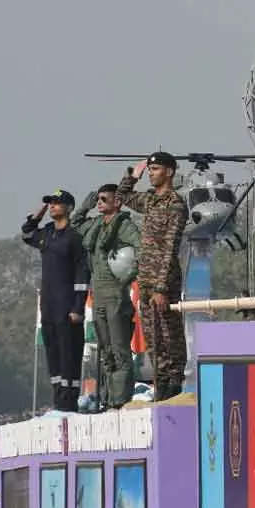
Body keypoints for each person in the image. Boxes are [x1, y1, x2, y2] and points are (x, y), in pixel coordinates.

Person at [117, 152, 188, 401]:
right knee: (152, 334)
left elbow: (170, 247)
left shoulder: (175, 203)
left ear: (169, 171)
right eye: (150, 169)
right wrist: (131, 177)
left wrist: (160, 286)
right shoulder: (149, 200)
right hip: (145, 279)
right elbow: (122, 197)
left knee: (170, 332)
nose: (151, 173)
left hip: (163, 280)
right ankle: (160, 381)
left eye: (156, 169)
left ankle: (174, 380)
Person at [71, 184, 142, 409]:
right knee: (106, 352)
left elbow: (141, 249)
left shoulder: (123, 225)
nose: (100, 202)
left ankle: (121, 401)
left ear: (117, 202)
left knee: (120, 352)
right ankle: (109, 399)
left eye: (104, 199)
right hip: (99, 294)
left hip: (115, 293)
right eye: (98, 199)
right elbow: (75, 225)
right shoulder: (96, 226)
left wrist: (129, 276)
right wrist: (86, 204)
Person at [22, 189, 89, 411]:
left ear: (69, 207)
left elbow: (82, 273)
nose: (52, 206)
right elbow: (26, 232)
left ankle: (69, 401)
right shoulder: (46, 234)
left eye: (57, 203)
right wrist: (41, 210)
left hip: (67, 306)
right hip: (48, 306)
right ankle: (57, 400)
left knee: (68, 352)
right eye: (50, 203)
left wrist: (78, 307)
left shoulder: (75, 236)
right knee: (52, 352)